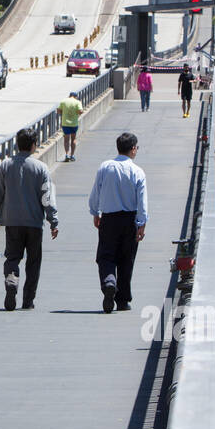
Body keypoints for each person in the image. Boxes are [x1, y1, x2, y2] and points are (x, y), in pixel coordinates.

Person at [0, 128, 59, 311]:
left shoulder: (5, 165)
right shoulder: (41, 168)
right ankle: (28, 300)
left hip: (12, 221)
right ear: (34, 145)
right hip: (34, 222)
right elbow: (47, 197)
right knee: (34, 261)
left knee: (12, 257)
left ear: (17, 144)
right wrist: (53, 221)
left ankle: (12, 278)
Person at [87, 131, 148, 313]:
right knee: (126, 259)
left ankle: (108, 282)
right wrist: (142, 223)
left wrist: (95, 212)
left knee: (105, 255)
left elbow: (95, 192)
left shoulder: (105, 167)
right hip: (129, 220)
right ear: (133, 149)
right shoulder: (138, 171)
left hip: (109, 218)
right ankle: (122, 300)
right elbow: (142, 200)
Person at [58, 90, 83, 162]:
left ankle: (66, 154)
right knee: (73, 139)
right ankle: (72, 155)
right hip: (74, 123)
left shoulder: (64, 101)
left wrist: (63, 114)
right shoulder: (77, 102)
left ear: (69, 96)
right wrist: (76, 114)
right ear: (75, 97)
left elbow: (59, 110)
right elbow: (81, 111)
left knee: (66, 140)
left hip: (65, 123)